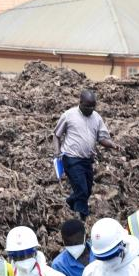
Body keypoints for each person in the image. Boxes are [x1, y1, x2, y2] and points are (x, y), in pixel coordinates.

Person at [53, 90, 119, 220]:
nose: (91, 109)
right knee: (82, 189)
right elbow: (56, 135)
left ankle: (69, 203)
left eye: (93, 106)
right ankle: (82, 217)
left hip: (87, 160)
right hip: (71, 158)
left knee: (87, 190)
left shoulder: (96, 117)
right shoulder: (69, 115)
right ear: (80, 102)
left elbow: (101, 138)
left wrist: (112, 144)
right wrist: (57, 152)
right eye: (88, 106)